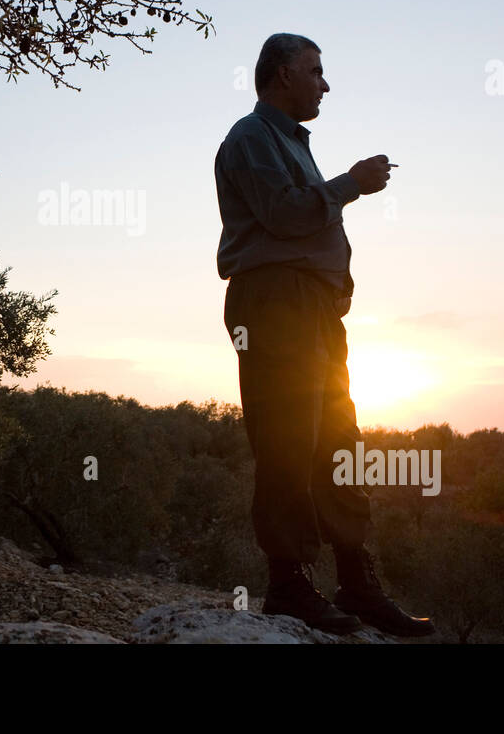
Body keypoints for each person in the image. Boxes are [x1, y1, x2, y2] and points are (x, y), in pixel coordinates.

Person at [214, 33, 433, 637]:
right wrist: (350, 185)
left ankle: (357, 585)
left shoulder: (290, 143)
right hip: (274, 303)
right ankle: (287, 586)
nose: (325, 84)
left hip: (312, 309)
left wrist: (338, 284)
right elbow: (285, 214)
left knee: (340, 442)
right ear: (282, 74)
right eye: (316, 71)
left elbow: (304, 223)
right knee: (287, 439)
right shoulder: (250, 136)